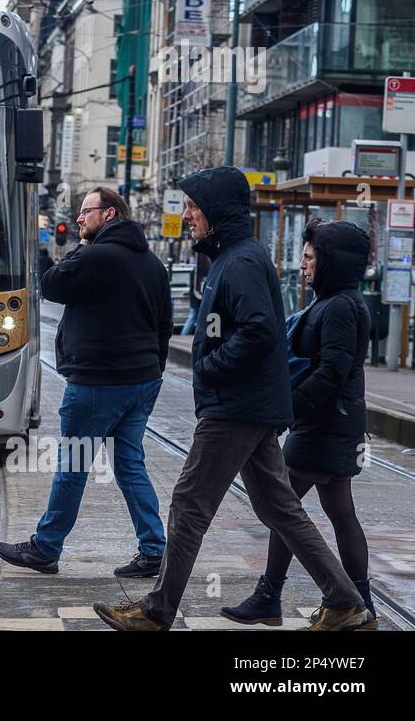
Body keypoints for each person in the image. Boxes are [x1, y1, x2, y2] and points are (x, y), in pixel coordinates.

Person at [94, 165, 372, 631]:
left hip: (236, 406)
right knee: (278, 507)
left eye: (193, 207)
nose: (186, 215)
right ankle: (345, 601)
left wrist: (209, 368)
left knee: (188, 503)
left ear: (216, 211)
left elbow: (259, 331)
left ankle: (157, 611)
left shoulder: (240, 261)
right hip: (248, 404)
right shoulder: (234, 256)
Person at [0, 187, 171, 578]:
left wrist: (67, 250)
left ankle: (46, 547)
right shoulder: (153, 264)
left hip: (97, 383)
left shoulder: (95, 255)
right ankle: (154, 549)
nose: (78, 219)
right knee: (129, 465)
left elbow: (52, 285)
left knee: (73, 465)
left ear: (108, 214)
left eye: (85, 212)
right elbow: (164, 326)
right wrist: (153, 369)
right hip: (141, 382)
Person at [220, 218, 376, 628]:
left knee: (282, 505)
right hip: (329, 424)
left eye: (309, 257)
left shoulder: (341, 306)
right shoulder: (334, 300)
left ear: (331, 261)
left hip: (322, 427)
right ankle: (360, 605)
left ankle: (271, 595)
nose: (302, 264)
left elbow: (332, 371)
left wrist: (286, 411)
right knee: (337, 511)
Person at [179, 252, 210, 336]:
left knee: (193, 318)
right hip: (196, 299)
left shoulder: (197, 271)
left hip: (195, 299)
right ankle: (183, 335)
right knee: (193, 318)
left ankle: (184, 335)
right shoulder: (198, 272)